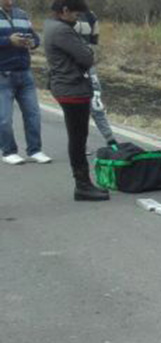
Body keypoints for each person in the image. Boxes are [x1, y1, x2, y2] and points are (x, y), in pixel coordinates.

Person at [44, 0, 108, 201]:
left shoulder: (52, 26)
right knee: (78, 139)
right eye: (76, 14)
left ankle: (84, 184)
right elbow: (87, 58)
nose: (77, 19)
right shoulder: (62, 30)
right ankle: (82, 185)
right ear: (64, 11)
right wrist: (88, 51)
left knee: (78, 137)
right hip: (72, 88)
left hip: (66, 85)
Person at [0, 0, 51, 165]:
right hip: (3, 74)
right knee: (4, 118)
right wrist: (8, 41)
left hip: (25, 72)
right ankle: (9, 152)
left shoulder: (22, 14)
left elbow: (34, 36)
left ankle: (35, 150)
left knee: (33, 115)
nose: (10, 1)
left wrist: (32, 42)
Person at [74, 9, 117, 148]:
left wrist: (91, 60)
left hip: (88, 66)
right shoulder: (61, 14)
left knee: (96, 103)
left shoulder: (90, 15)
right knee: (77, 108)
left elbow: (94, 42)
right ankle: (79, 144)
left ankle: (111, 141)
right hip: (69, 68)